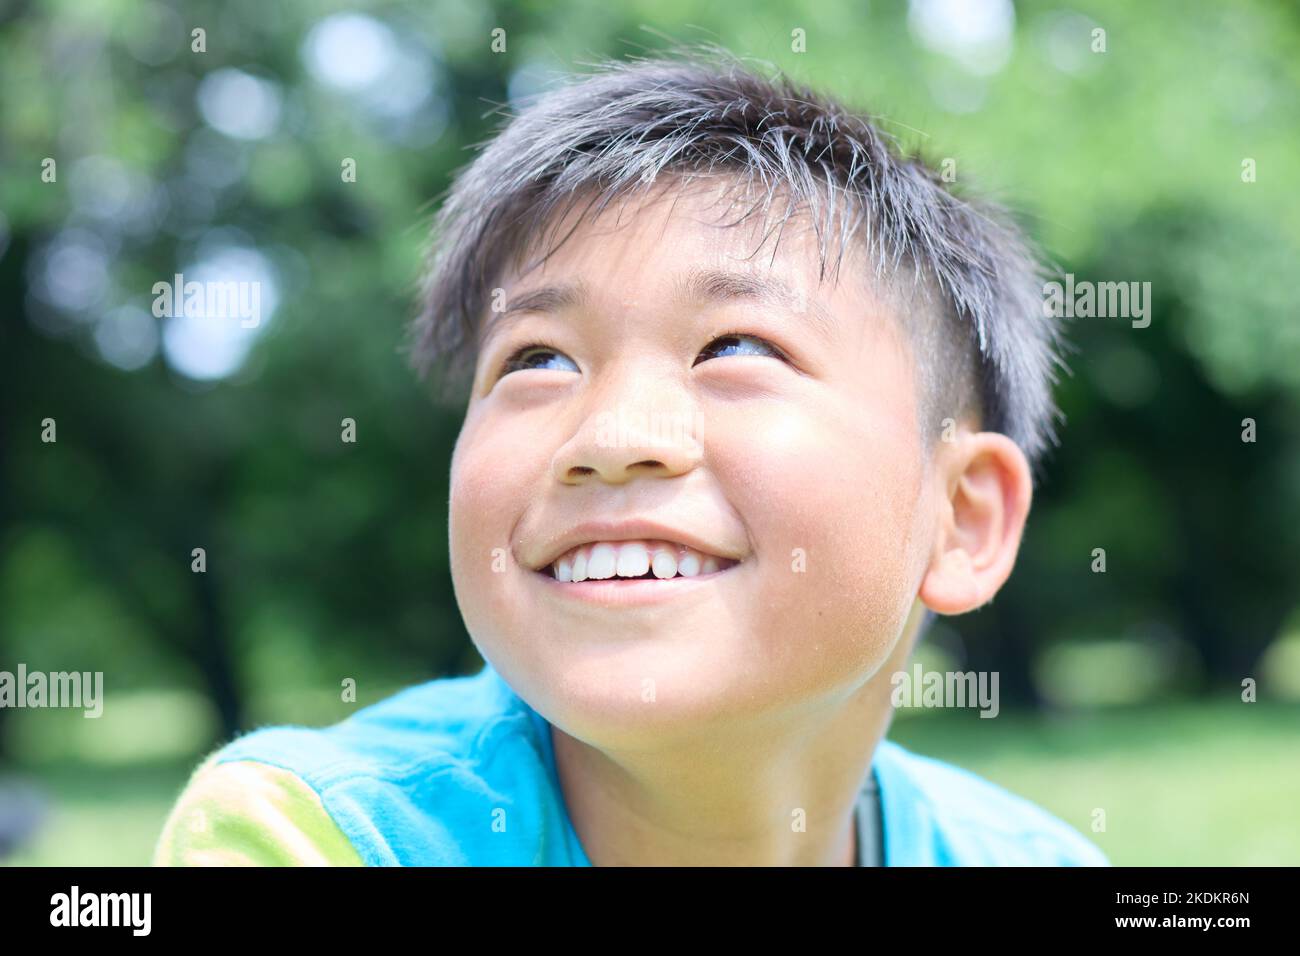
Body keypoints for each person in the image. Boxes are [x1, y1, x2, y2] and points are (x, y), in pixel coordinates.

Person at [154, 50, 1107, 867]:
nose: (609, 439)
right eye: (538, 359)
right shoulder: (319, 834)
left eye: (736, 348)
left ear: (964, 518)